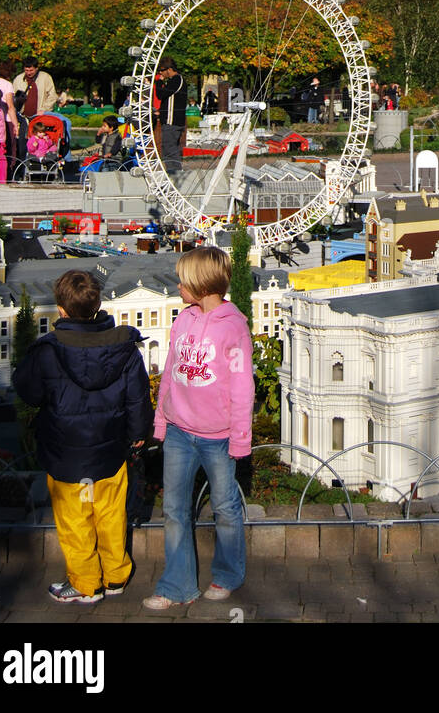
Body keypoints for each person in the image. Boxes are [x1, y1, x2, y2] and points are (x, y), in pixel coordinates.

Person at [13, 269, 152, 604]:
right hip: (110, 451)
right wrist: (137, 435)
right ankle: (116, 575)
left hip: (66, 454)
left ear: (61, 309)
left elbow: (29, 392)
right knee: (110, 515)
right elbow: (137, 398)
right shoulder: (124, 347)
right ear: (99, 304)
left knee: (75, 522)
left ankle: (87, 584)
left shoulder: (47, 350)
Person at [145, 247, 253, 611]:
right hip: (179, 432)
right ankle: (177, 586)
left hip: (218, 437)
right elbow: (170, 376)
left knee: (225, 509)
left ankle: (227, 574)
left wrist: (240, 439)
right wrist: (161, 420)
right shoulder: (183, 321)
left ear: (202, 285)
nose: (178, 287)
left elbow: (242, 387)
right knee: (174, 510)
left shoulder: (234, 327)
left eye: (183, 281)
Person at [155, 59, 187, 172]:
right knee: (167, 148)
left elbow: (161, 94)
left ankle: (175, 174)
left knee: (169, 148)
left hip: (172, 121)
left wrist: (159, 81)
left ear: (169, 69)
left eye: (161, 71)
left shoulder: (177, 80)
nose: (160, 74)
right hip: (170, 120)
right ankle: (173, 172)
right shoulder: (173, 81)